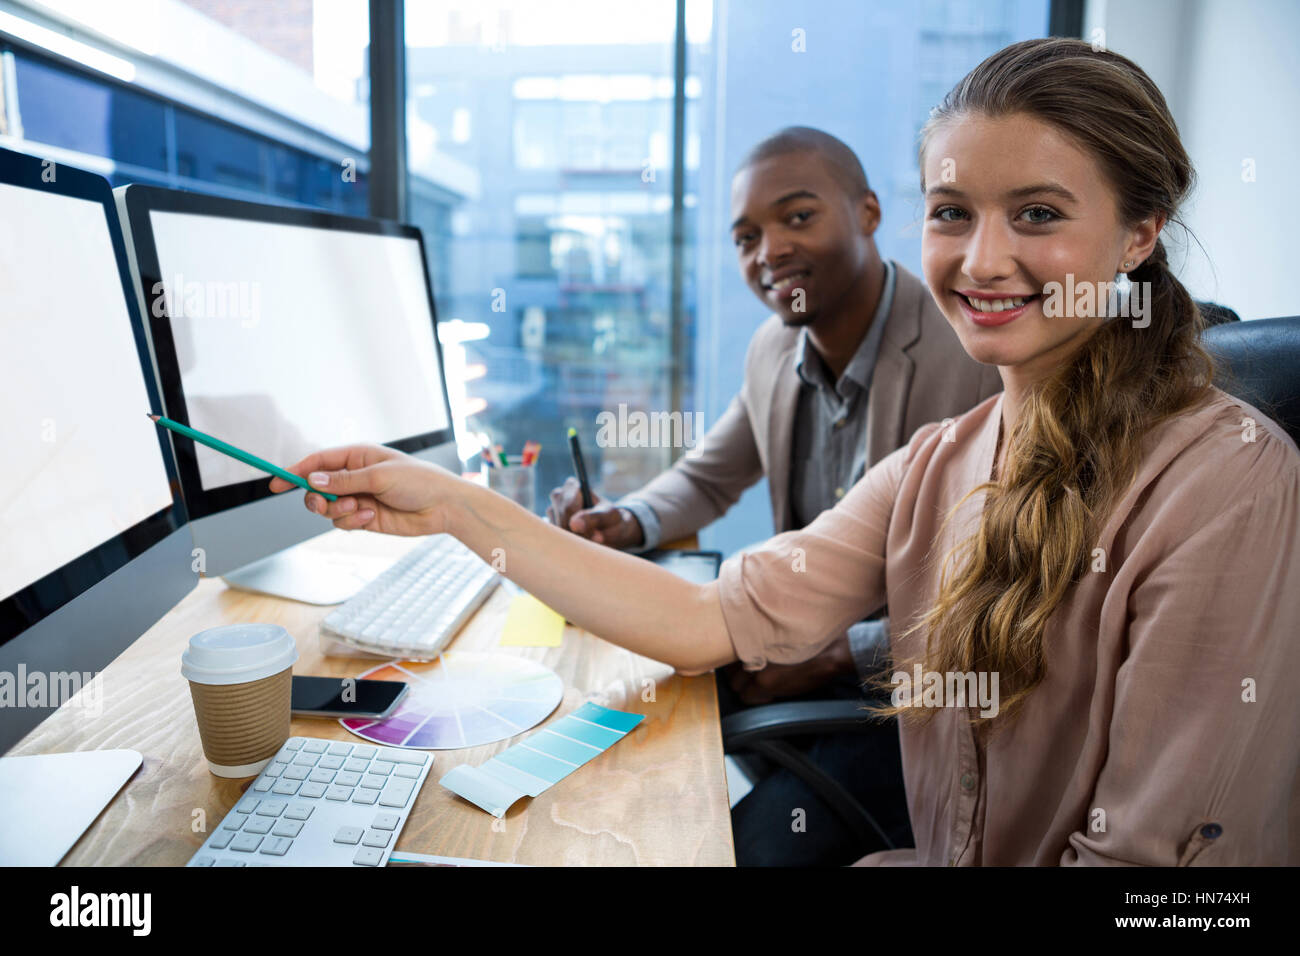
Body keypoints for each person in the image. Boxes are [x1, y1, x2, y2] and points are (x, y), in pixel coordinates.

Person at [273, 38, 1300, 865]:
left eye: (1037, 214)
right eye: (952, 213)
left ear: (1136, 236)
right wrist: (458, 506)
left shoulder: (1225, 479)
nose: (984, 259)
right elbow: (702, 615)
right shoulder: (941, 461)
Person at [547, 126, 1001, 865]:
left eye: (797, 217)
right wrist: (627, 519)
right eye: (746, 236)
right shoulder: (773, 350)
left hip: (919, 702)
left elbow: (998, 599)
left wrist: (836, 657)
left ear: (868, 214)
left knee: (751, 853)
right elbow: (707, 475)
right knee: (615, 733)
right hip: (798, 661)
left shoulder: (967, 351)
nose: (769, 252)